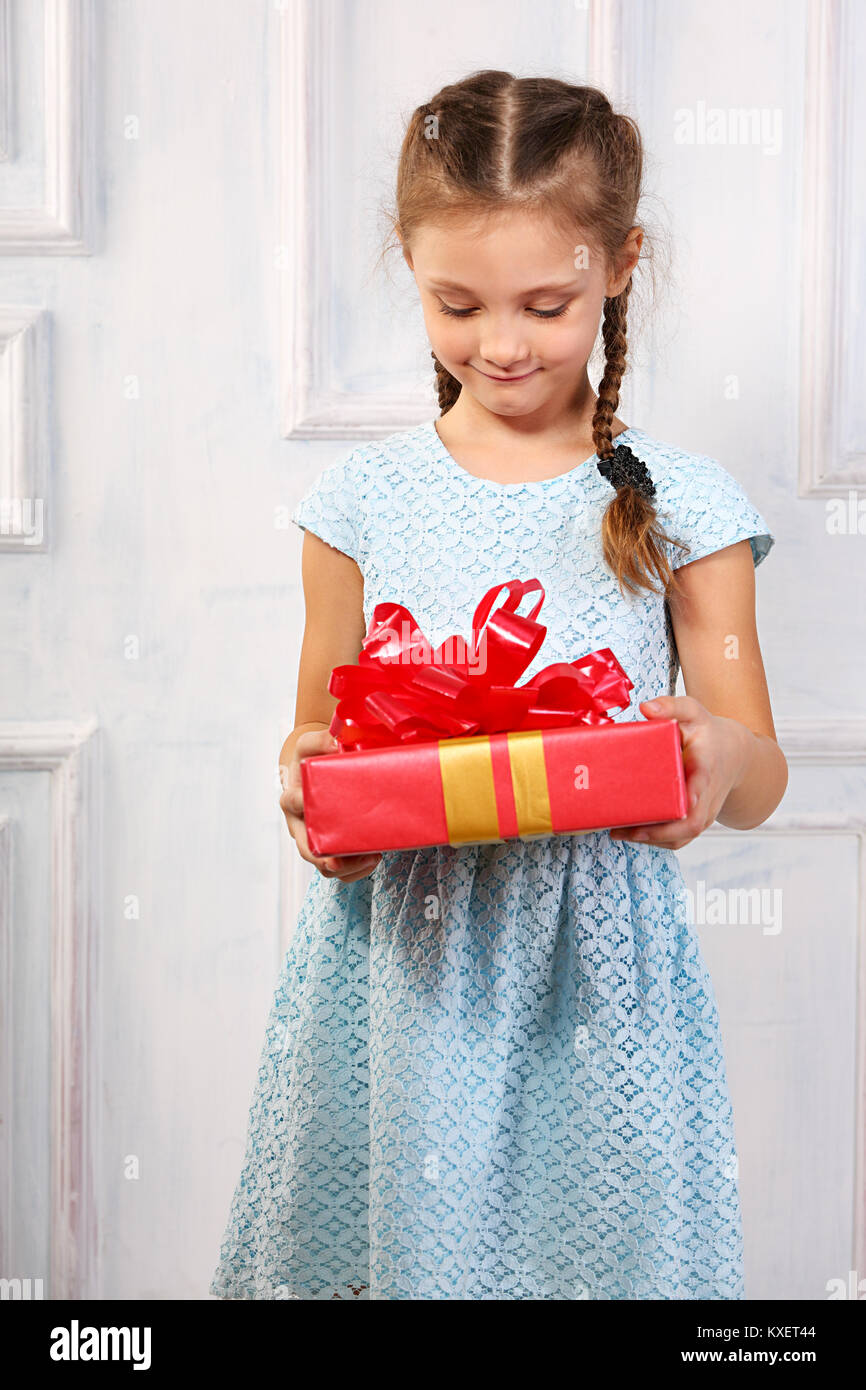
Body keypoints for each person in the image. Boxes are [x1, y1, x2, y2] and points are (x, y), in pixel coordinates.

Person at [210, 72, 787, 1301]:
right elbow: (313, 732)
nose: (503, 343)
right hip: (397, 983)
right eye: (456, 304)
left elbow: (755, 769)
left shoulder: (682, 504)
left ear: (619, 264)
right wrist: (308, 789)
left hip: (599, 985)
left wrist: (720, 761)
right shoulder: (357, 504)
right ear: (407, 269)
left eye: (546, 302)